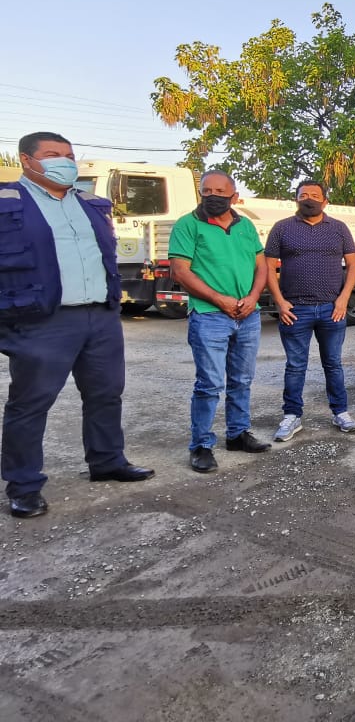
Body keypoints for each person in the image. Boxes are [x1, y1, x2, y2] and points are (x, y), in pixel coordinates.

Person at [0, 132, 154, 519]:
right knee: (30, 403)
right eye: (53, 154)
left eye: (69, 155)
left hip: (100, 317)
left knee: (106, 393)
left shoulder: (89, 204)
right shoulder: (7, 203)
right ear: (27, 160)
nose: (65, 162)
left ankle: (107, 461)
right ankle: (24, 486)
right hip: (42, 320)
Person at [169, 170, 270, 472]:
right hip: (209, 315)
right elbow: (180, 271)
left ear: (233, 196)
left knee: (242, 380)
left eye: (220, 192)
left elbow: (262, 266)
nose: (212, 196)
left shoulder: (245, 226)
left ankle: (238, 434)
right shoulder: (188, 225)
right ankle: (201, 445)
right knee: (209, 384)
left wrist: (253, 297)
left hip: (248, 314)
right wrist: (220, 300)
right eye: (207, 191)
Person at [265, 180, 355, 442]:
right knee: (295, 366)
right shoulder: (282, 228)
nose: (309, 199)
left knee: (333, 364)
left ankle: (340, 412)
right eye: (303, 195)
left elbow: (352, 265)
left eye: (315, 195)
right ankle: (291, 416)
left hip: (332, 309)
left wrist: (343, 299)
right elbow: (268, 267)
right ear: (296, 199)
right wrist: (280, 302)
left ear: (325, 201)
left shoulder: (339, 228)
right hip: (295, 310)